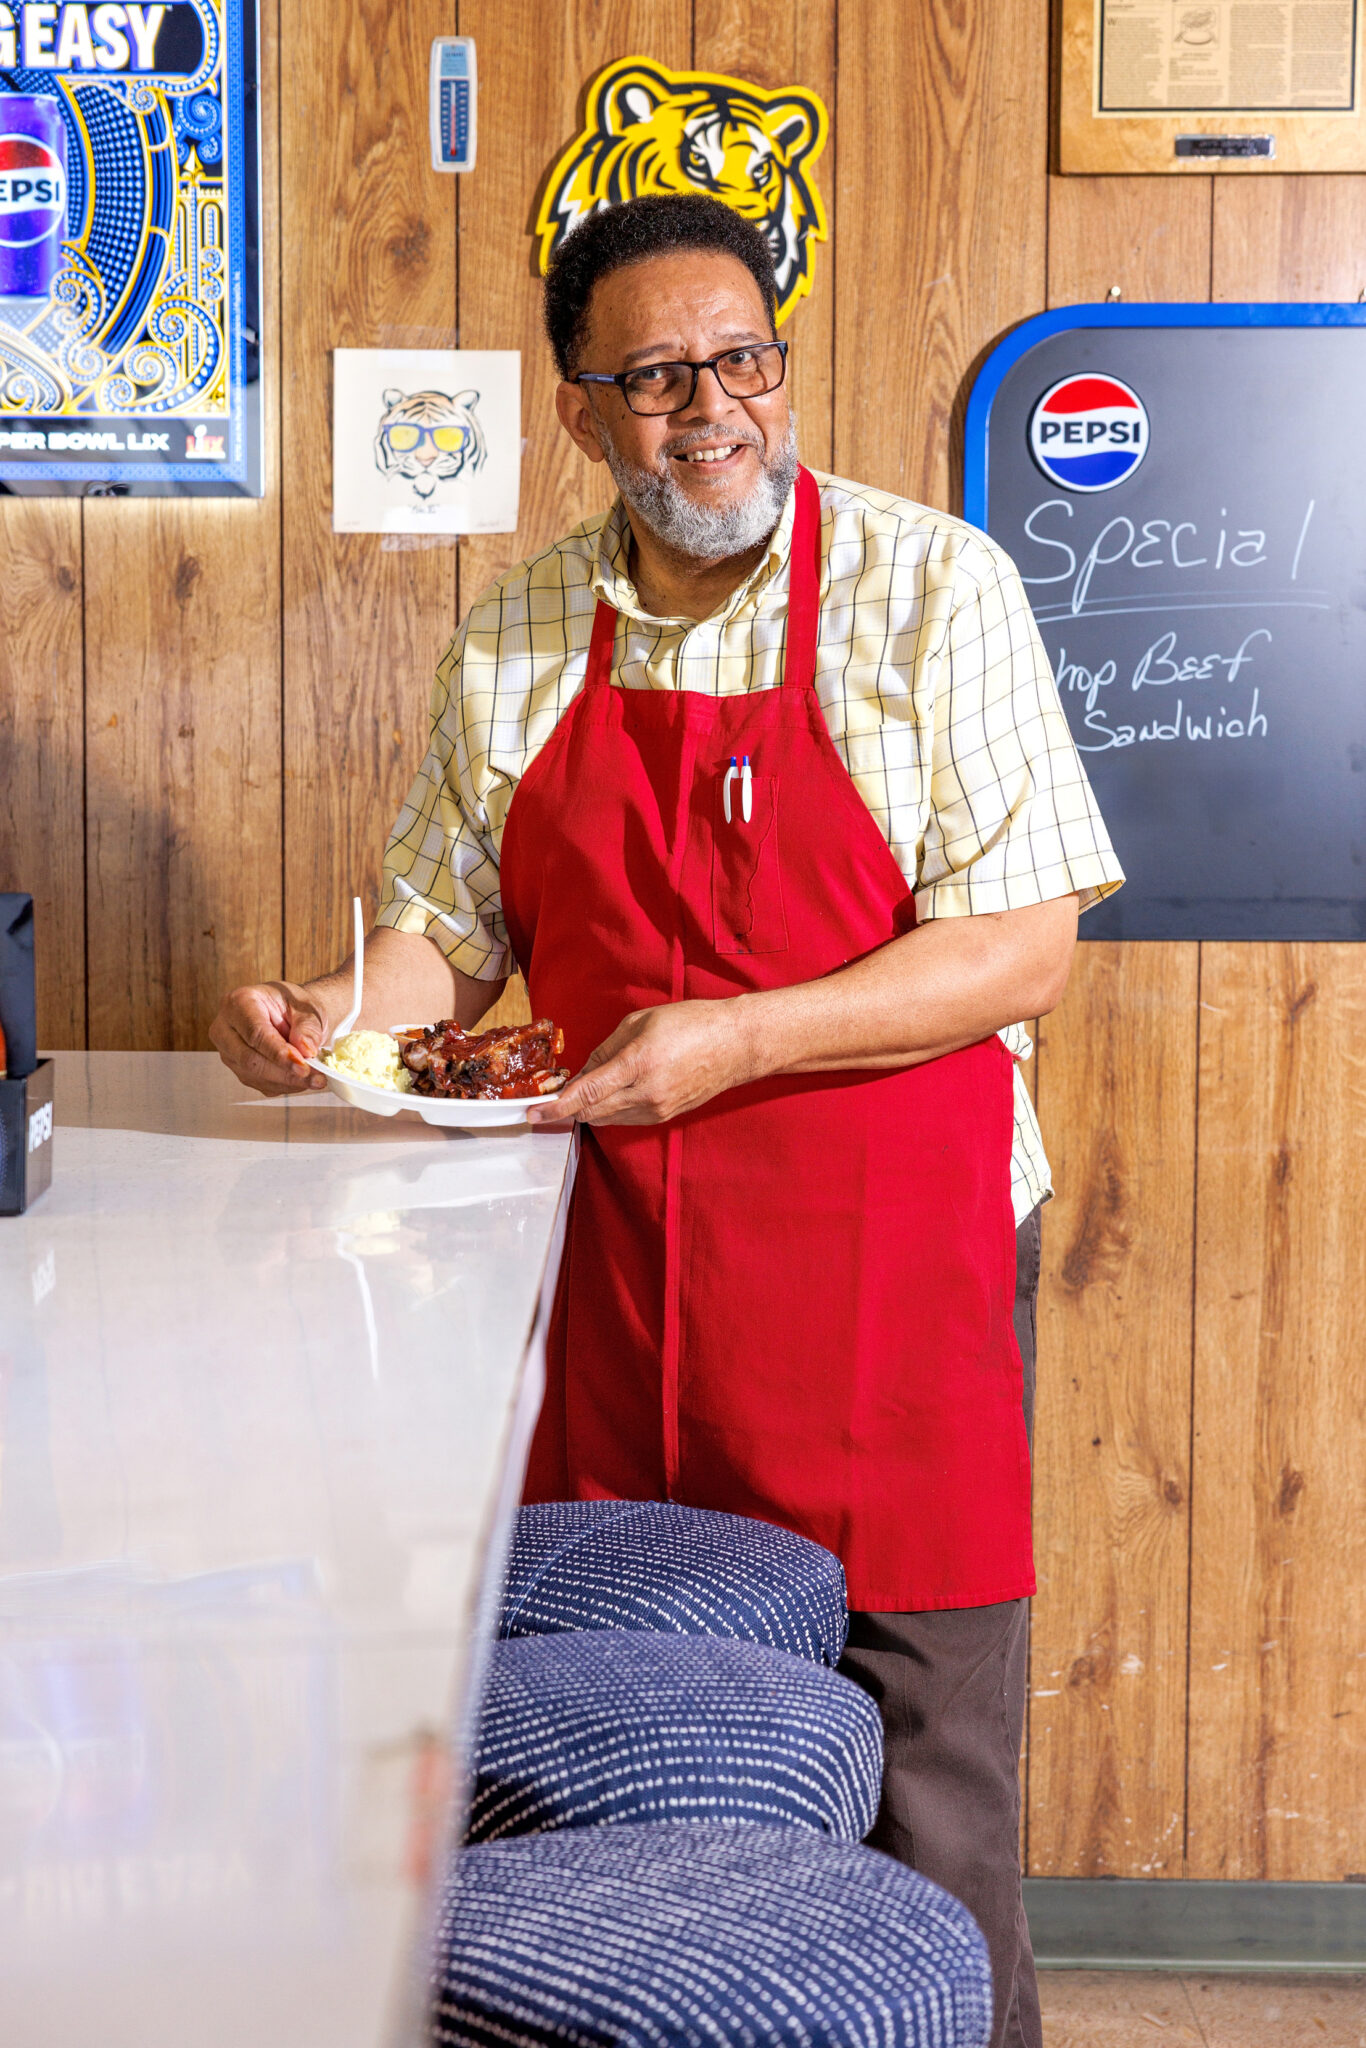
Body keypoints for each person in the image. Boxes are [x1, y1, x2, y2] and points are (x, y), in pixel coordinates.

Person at [211, 193, 1124, 2048]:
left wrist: (739, 1039)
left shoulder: (930, 587)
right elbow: (439, 947)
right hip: (613, 1271)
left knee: (924, 1749)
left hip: (889, 1259)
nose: (710, 407)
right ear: (577, 414)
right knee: (638, 1738)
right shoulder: (519, 632)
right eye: (652, 377)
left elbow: (1019, 949)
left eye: (742, 359)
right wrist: (329, 1020)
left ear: (781, 370)